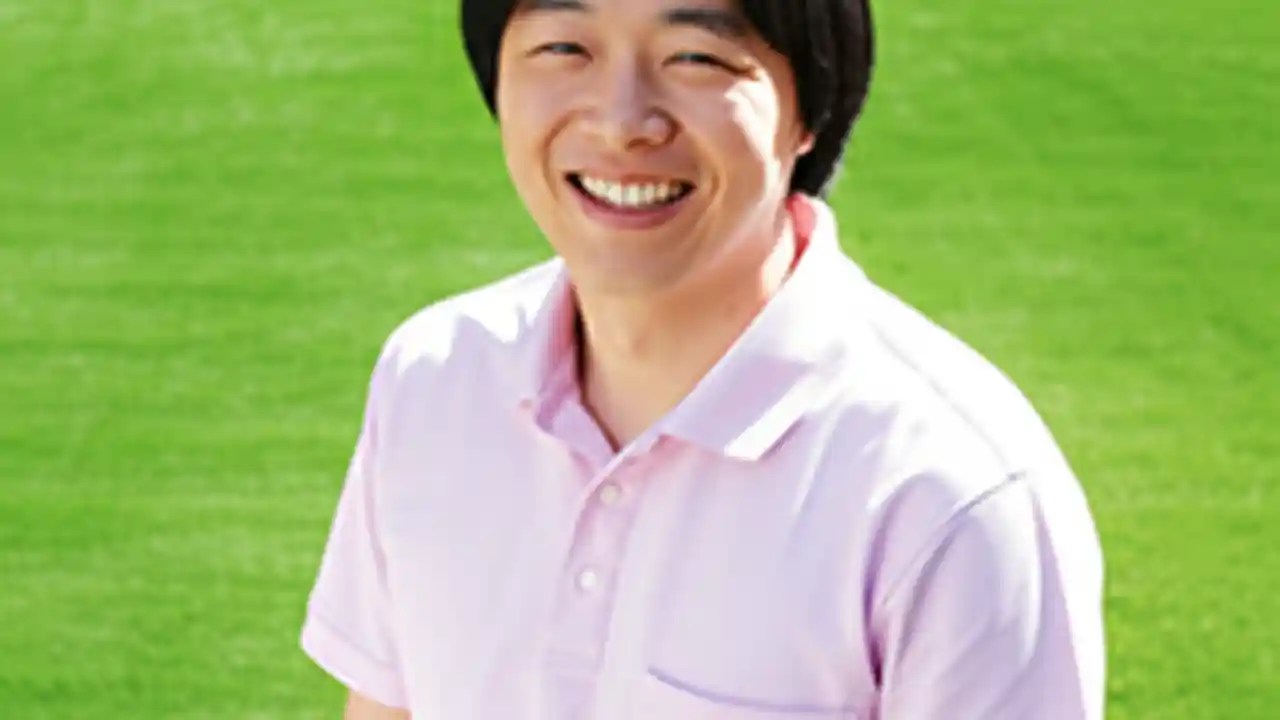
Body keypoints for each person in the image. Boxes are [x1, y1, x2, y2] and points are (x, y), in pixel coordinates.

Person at [300, 0, 1106, 717]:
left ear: (809, 111)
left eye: (696, 58)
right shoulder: (436, 379)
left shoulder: (949, 492)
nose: (623, 122)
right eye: (564, 48)